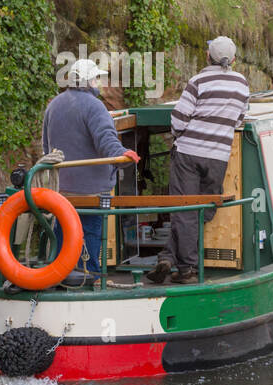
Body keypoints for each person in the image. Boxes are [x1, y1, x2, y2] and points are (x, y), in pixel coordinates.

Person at [148, 36, 249, 284]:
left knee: (184, 211)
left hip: (188, 155)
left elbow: (179, 119)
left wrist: (181, 137)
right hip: (218, 157)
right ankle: (170, 257)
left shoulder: (198, 81)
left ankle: (184, 268)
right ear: (233, 59)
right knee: (205, 209)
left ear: (207, 56)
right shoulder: (242, 84)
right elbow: (239, 120)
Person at [41, 58, 139, 284]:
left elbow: (47, 149)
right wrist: (125, 155)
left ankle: (58, 276)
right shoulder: (95, 106)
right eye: (97, 78)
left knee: (63, 234)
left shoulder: (53, 105)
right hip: (90, 191)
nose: (99, 83)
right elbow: (107, 144)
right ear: (88, 81)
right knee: (91, 234)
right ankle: (91, 277)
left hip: (60, 190)